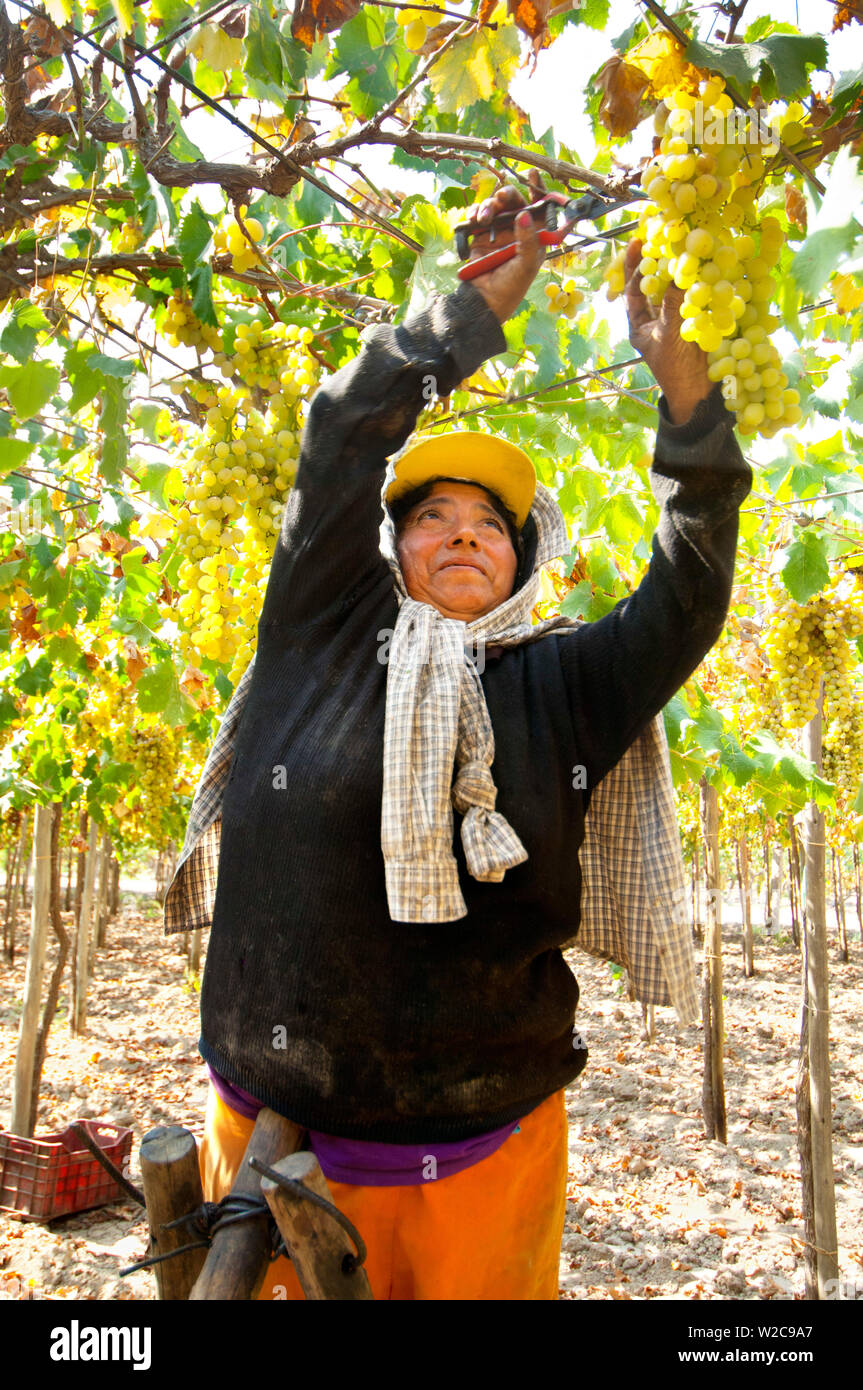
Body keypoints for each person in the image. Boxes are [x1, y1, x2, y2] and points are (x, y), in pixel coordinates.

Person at [166, 185, 752, 1300]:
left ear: (524, 562)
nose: (465, 532)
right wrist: (472, 311)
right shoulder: (318, 629)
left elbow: (688, 590)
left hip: (484, 1156)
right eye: (432, 514)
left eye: (491, 523)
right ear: (389, 548)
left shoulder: (562, 680)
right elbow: (341, 434)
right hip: (274, 1132)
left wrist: (685, 399)